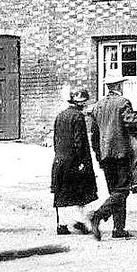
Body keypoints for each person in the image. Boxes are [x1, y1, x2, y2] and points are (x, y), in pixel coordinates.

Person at [87, 72, 137, 240]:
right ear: (119, 85)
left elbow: (94, 136)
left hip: (105, 155)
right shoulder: (123, 103)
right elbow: (131, 123)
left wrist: (99, 156)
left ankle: (119, 228)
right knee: (122, 191)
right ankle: (97, 215)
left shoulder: (98, 106)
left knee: (114, 191)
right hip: (121, 154)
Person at [51, 87, 97, 235]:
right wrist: (82, 162)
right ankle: (80, 221)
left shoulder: (60, 115)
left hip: (60, 160)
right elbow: (79, 142)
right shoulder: (78, 117)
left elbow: (56, 139)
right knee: (81, 192)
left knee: (61, 193)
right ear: (81, 103)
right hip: (74, 161)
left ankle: (61, 225)